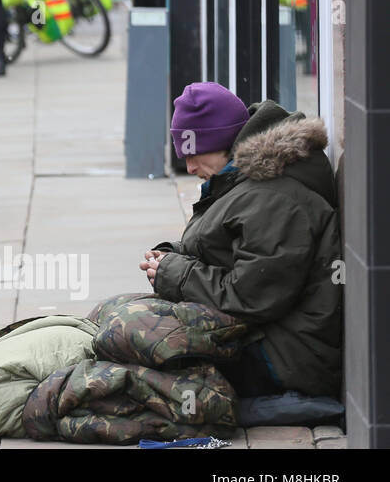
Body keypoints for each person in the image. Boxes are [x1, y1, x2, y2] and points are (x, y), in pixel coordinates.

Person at [140, 83, 341, 398]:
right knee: (124, 320)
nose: (190, 168)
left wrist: (175, 273)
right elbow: (229, 255)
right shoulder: (243, 182)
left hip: (285, 358)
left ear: (221, 141)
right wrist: (170, 257)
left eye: (193, 155)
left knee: (137, 348)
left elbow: (250, 298)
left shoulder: (275, 196)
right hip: (263, 338)